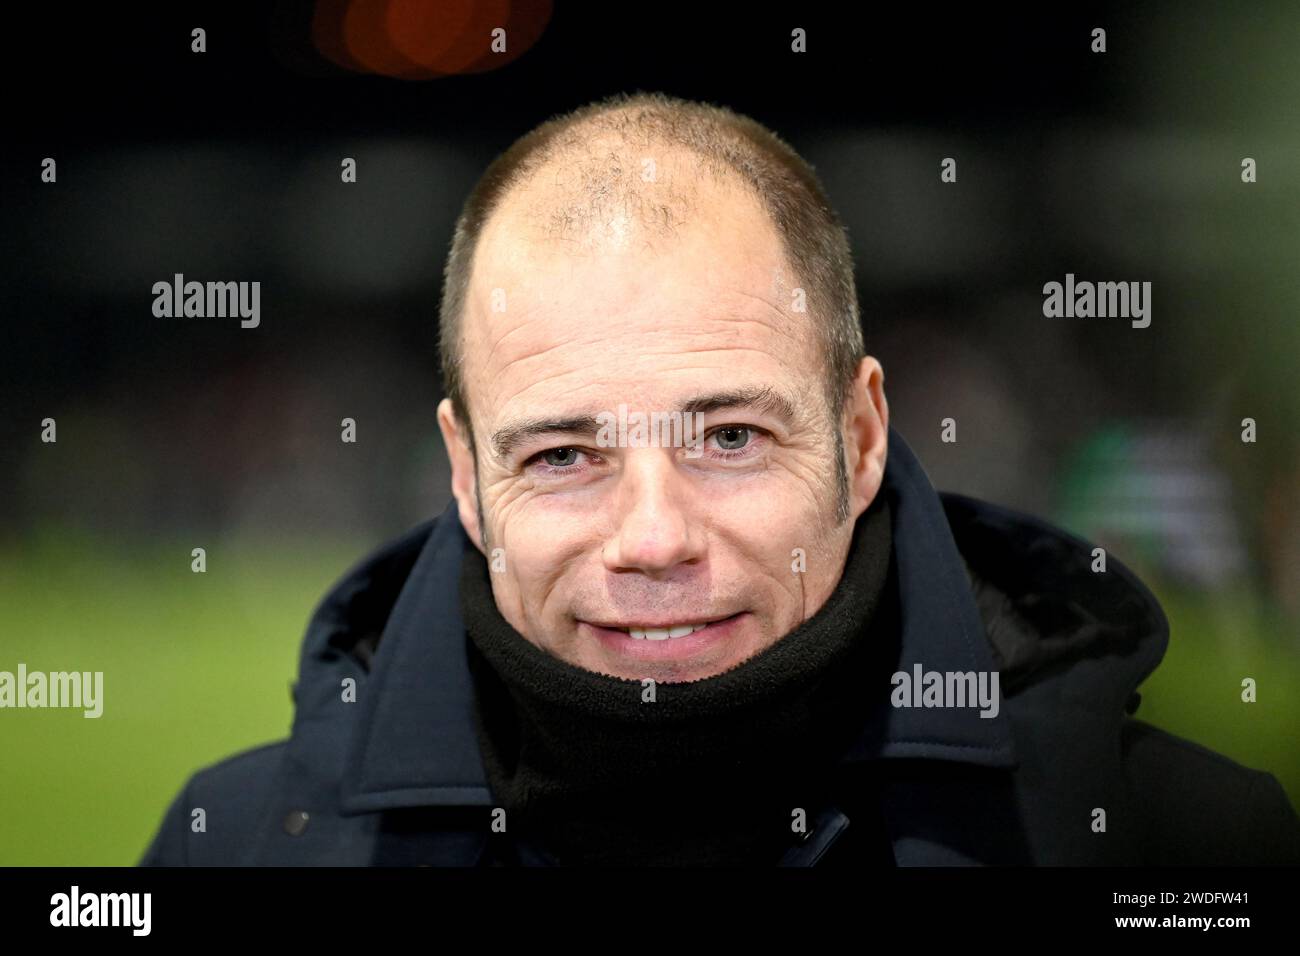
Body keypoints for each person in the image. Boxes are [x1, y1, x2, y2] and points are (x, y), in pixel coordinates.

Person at [140, 91, 1300, 866]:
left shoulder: (1187, 842)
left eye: (730, 437)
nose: (653, 537)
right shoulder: (233, 846)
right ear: (465, 474)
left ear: (861, 437)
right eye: (562, 455)